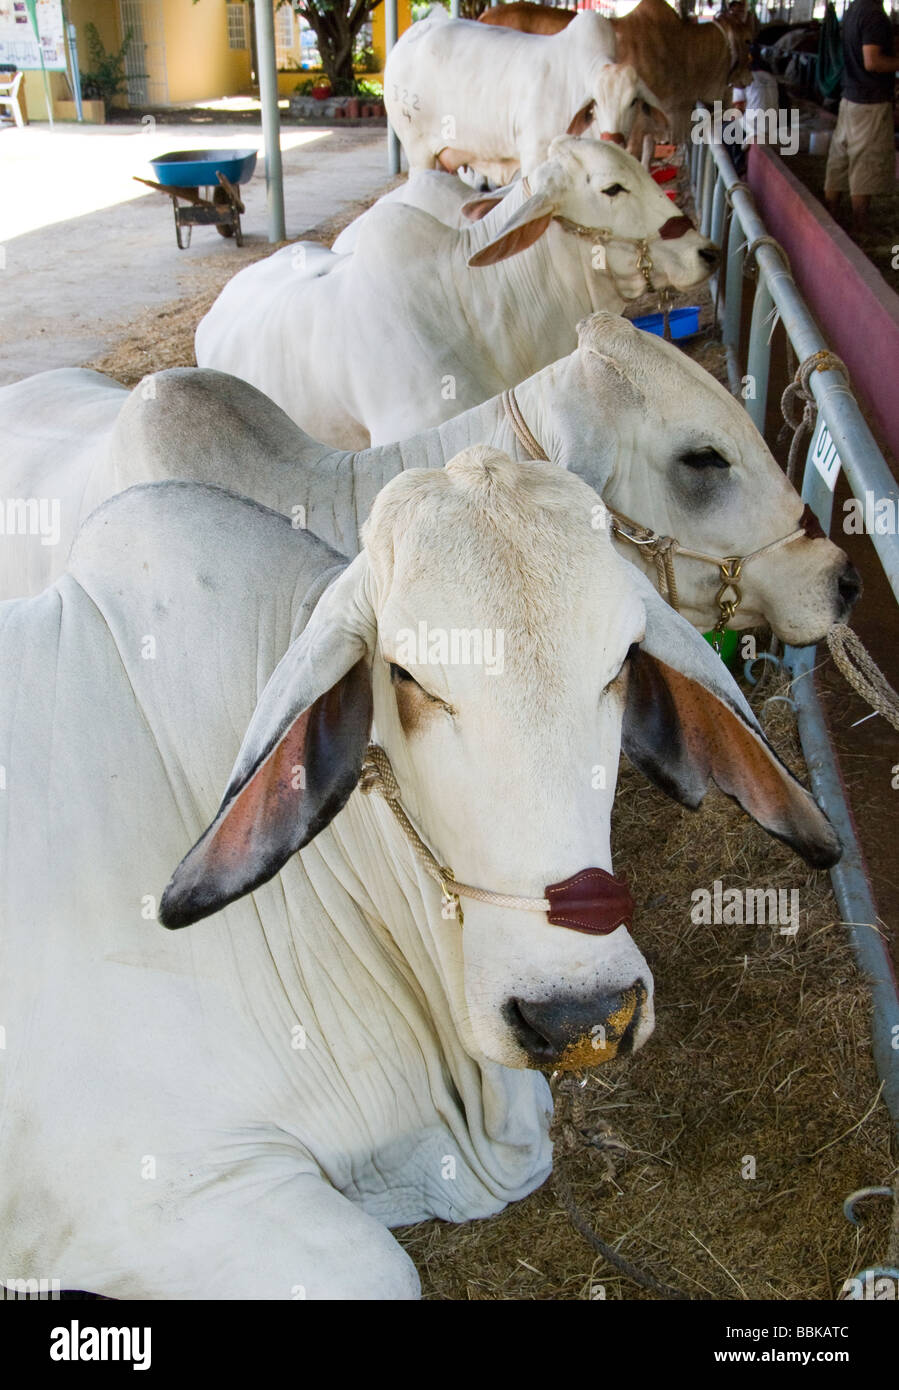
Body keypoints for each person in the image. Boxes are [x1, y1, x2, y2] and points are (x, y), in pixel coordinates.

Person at [824, 0, 898, 232]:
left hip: (850, 98)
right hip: (870, 101)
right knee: (864, 165)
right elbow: (872, 61)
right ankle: (860, 228)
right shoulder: (875, 15)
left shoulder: (854, 8)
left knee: (840, 158)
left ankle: (831, 217)